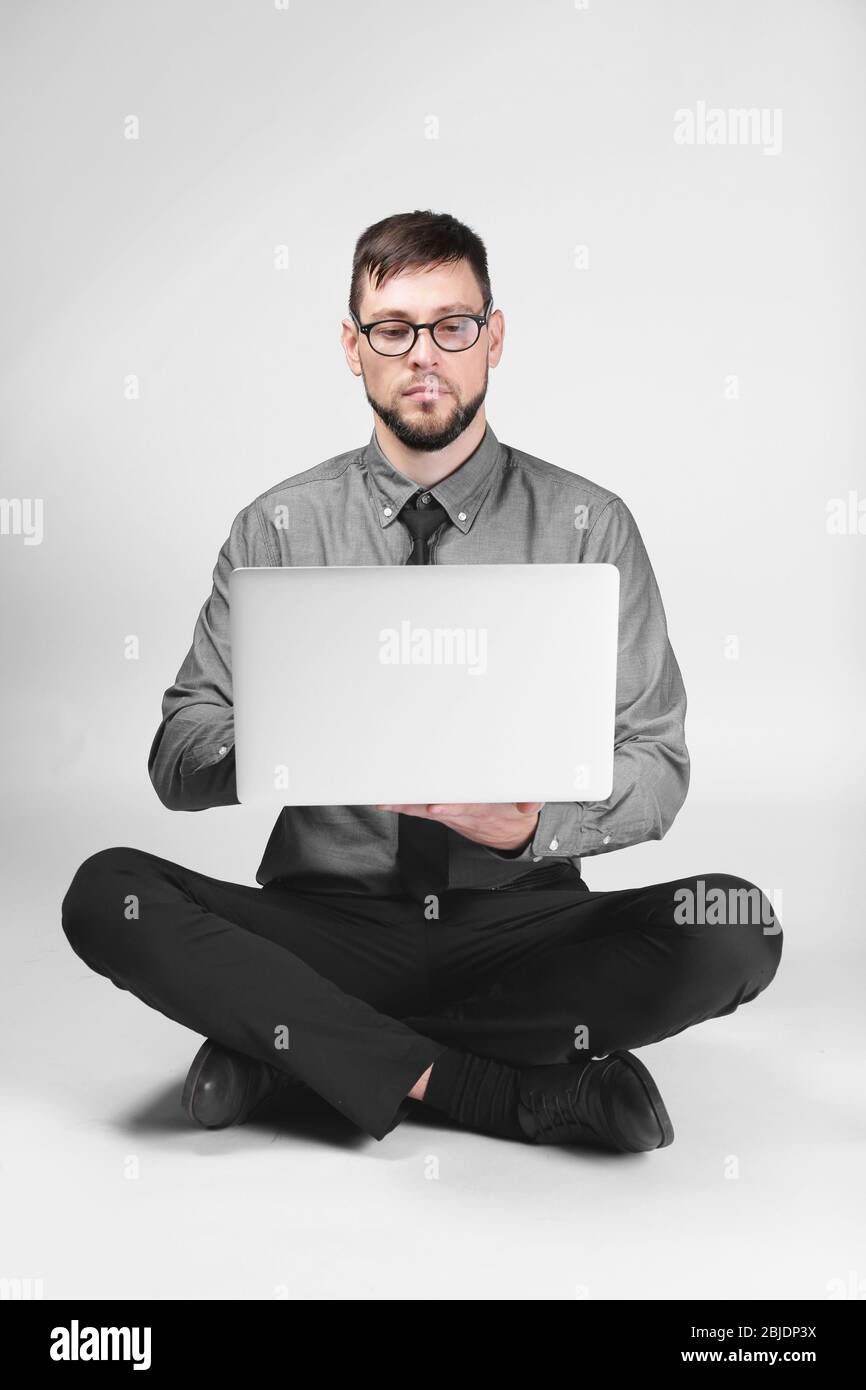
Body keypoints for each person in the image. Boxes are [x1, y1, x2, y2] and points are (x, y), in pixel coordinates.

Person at [61, 209, 783, 1153]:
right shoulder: (278, 528)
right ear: (353, 349)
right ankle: (497, 1089)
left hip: (523, 919)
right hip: (326, 922)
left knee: (737, 923)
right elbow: (180, 750)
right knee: (105, 893)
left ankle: (298, 1051)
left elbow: (656, 762)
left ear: (494, 338)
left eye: (452, 326)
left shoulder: (588, 525)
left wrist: (534, 824)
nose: (424, 355)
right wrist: (281, 749)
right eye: (392, 330)